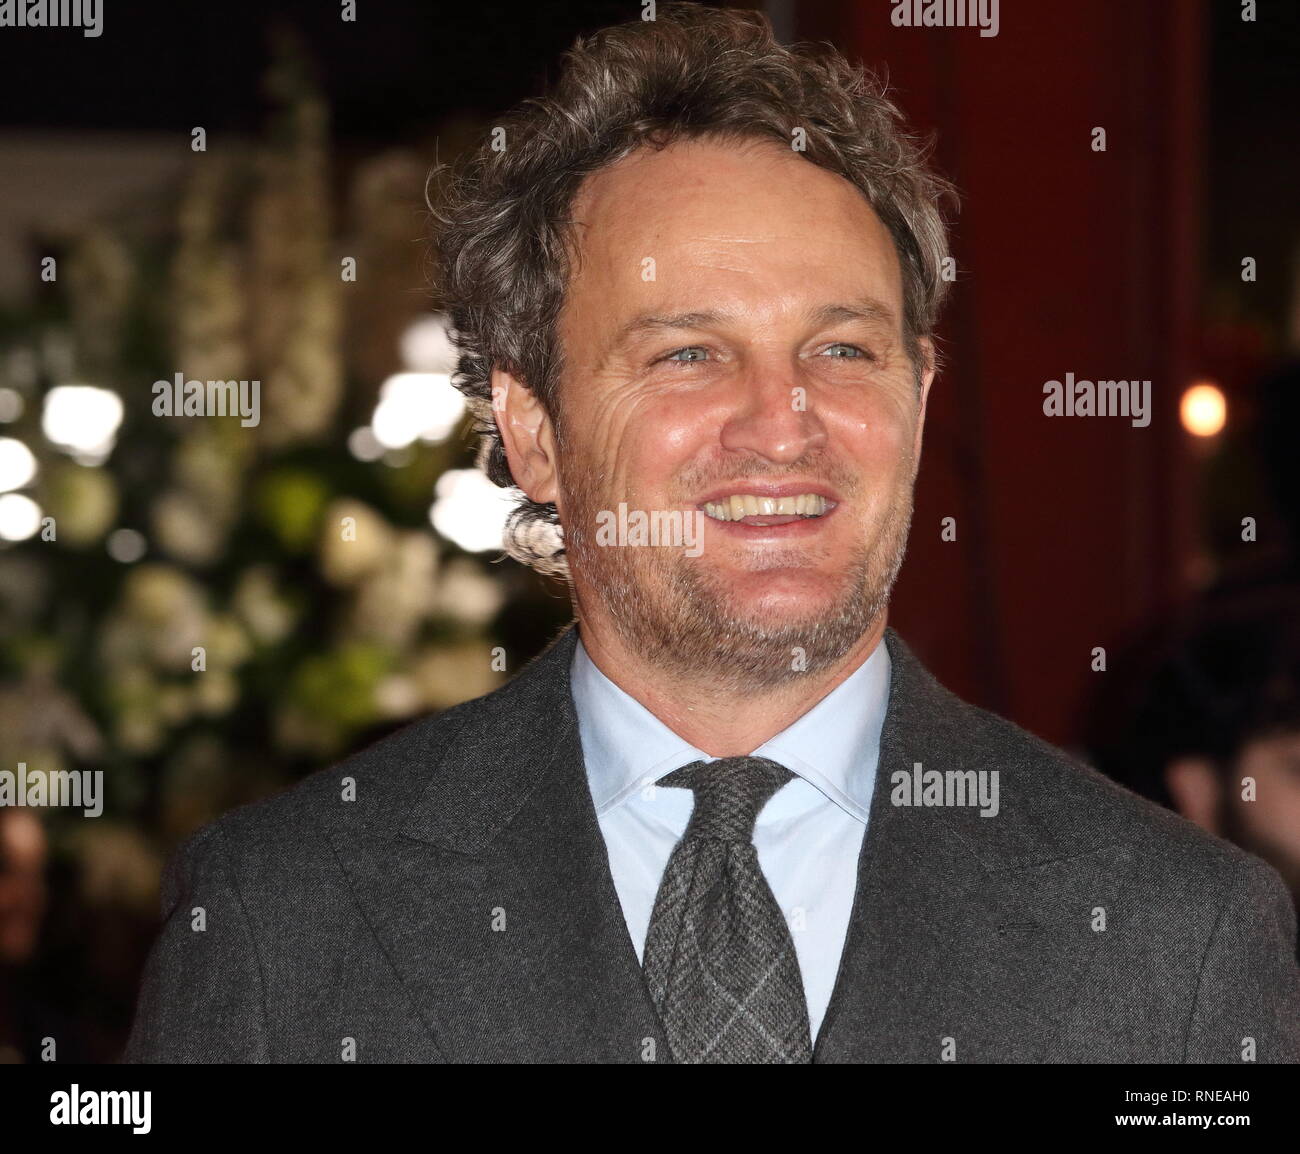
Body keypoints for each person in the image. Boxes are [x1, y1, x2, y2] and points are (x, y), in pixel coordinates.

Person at [124, 3, 1299, 1063]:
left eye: (840, 349)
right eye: (687, 353)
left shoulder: (1176, 930)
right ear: (531, 427)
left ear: (920, 398)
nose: (781, 424)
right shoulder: (282, 918)